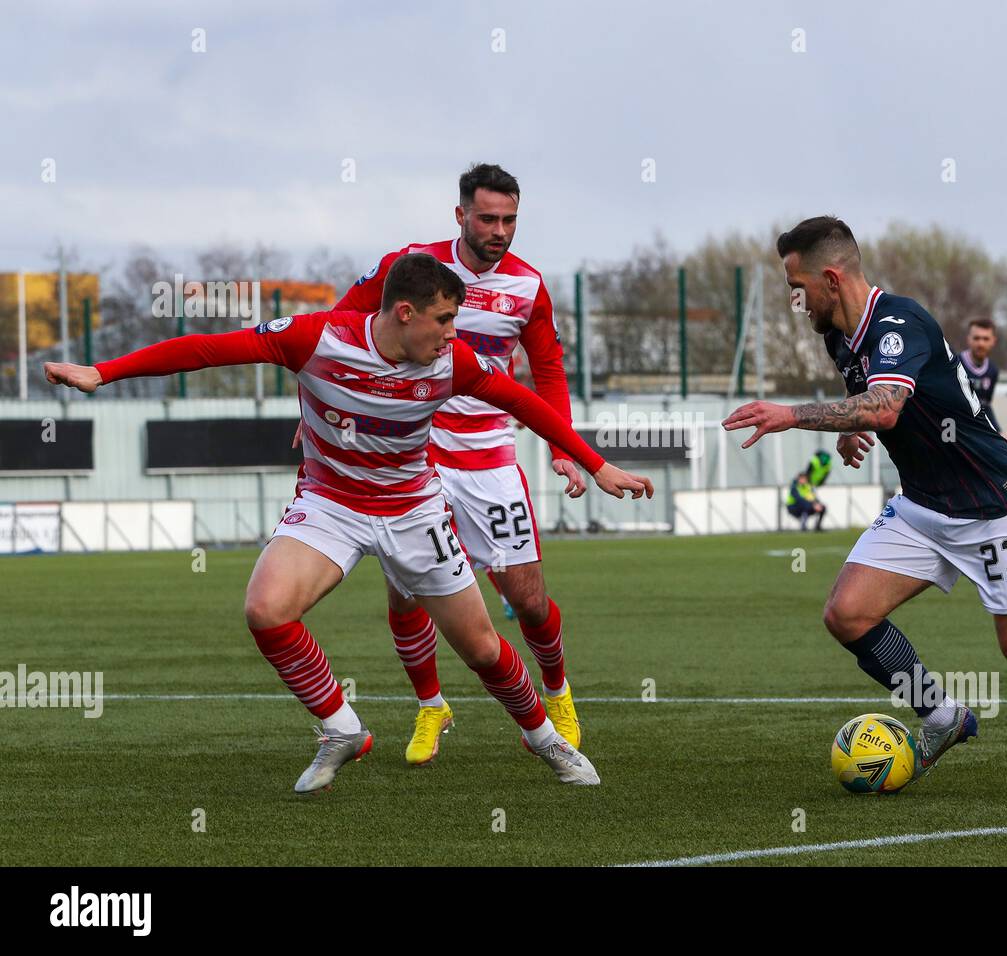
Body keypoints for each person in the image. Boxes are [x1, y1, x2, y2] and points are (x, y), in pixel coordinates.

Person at [44, 253, 653, 793]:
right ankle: (341, 728)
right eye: (444, 321)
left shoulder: (453, 363)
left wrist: (595, 465)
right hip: (330, 505)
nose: (453, 334)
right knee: (265, 609)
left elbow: (523, 402)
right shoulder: (315, 339)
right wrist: (104, 372)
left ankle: (546, 739)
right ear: (405, 313)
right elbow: (208, 349)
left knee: (482, 648)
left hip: (414, 509)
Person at [722, 216, 1007, 791]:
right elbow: (874, 400)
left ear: (830, 278)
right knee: (846, 614)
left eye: (795, 285)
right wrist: (852, 426)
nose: (794, 300)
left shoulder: (901, 320)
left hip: (993, 506)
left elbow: (885, 407)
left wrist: (794, 416)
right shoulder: (838, 335)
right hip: (923, 508)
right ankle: (942, 716)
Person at [331, 164, 587, 766]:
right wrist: (328, 400)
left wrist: (564, 447)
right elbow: (340, 326)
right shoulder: (411, 267)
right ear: (460, 216)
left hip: (491, 452)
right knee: (406, 593)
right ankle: (431, 706)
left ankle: (558, 692)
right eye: (488, 218)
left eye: (510, 220)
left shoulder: (529, 287)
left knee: (526, 597)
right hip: (415, 448)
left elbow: (547, 370)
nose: (499, 230)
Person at [959, 318, 1001, 433]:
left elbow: (985, 405)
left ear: (993, 341)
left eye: (985, 339)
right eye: (976, 338)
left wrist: (998, 431)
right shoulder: (955, 364)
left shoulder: (993, 371)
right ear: (968, 339)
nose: (981, 343)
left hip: (976, 430)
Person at [786, 451, 832, 531]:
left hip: (806, 505)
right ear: (798, 479)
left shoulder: (808, 487)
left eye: (805, 479)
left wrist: (817, 504)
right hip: (793, 507)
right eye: (802, 479)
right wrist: (812, 505)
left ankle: (818, 526)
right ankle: (803, 527)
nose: (804, 480)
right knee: (806, 506)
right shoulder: (794, 487)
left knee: (822, 507)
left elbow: (813, 497)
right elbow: (799, 499)